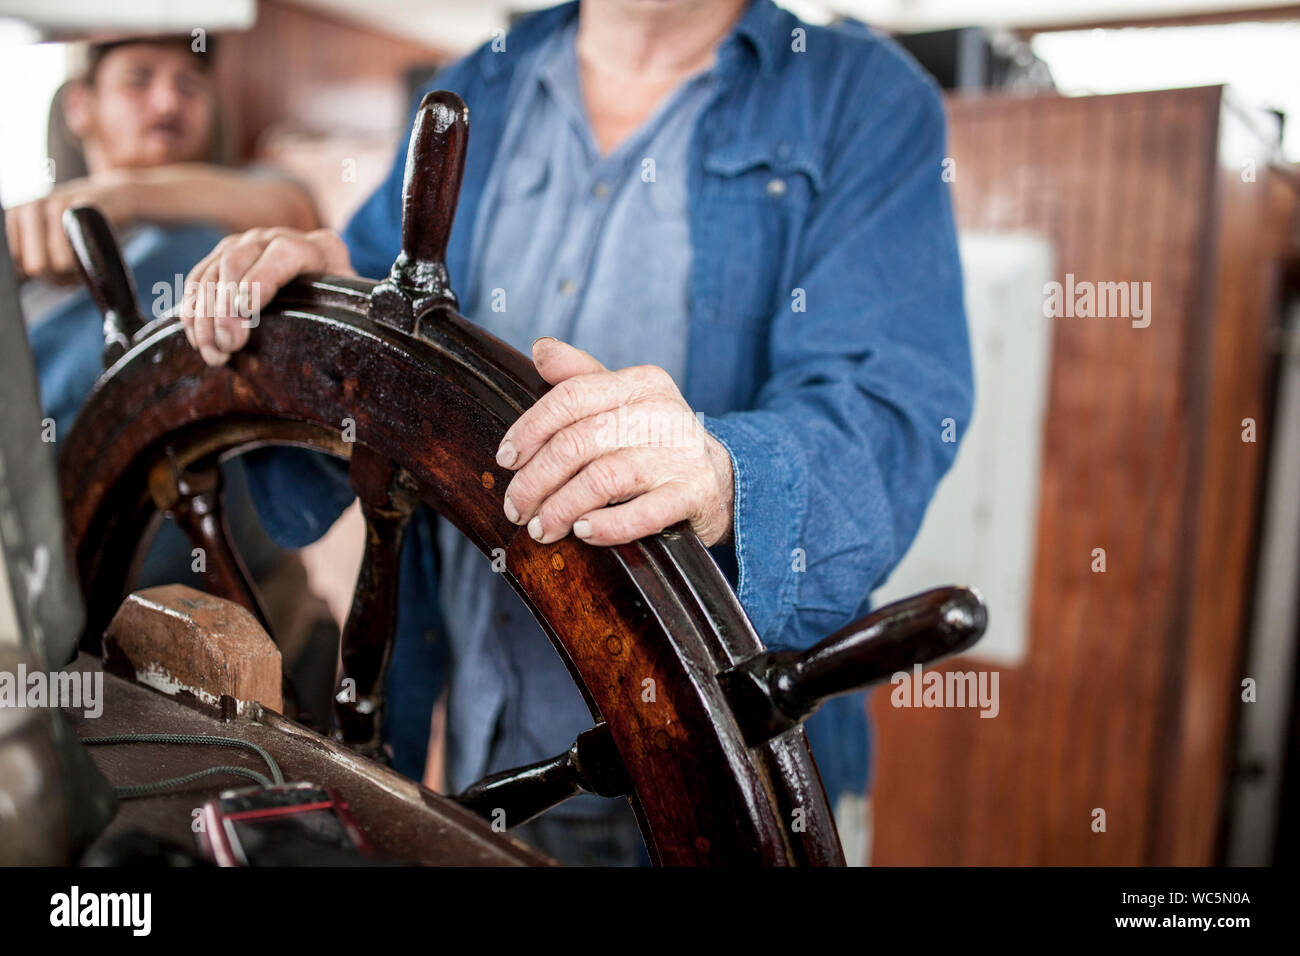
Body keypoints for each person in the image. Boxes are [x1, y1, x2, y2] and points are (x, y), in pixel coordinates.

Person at [178, 0, 974, 866]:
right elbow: (378, 327)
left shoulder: (865, 97)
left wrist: (721, 472)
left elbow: (888, 406)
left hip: (724, 777)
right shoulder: (485, 78)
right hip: (479, 761)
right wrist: (309, 307)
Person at [10, 35, 338, 720]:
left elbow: (295, 209)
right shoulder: (25, 258)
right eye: (139, 79)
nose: (168, 100)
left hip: (260, 640)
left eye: (189, 84)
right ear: (81, 107)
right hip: (83, 663)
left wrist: (118, 196)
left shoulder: (237, 216)